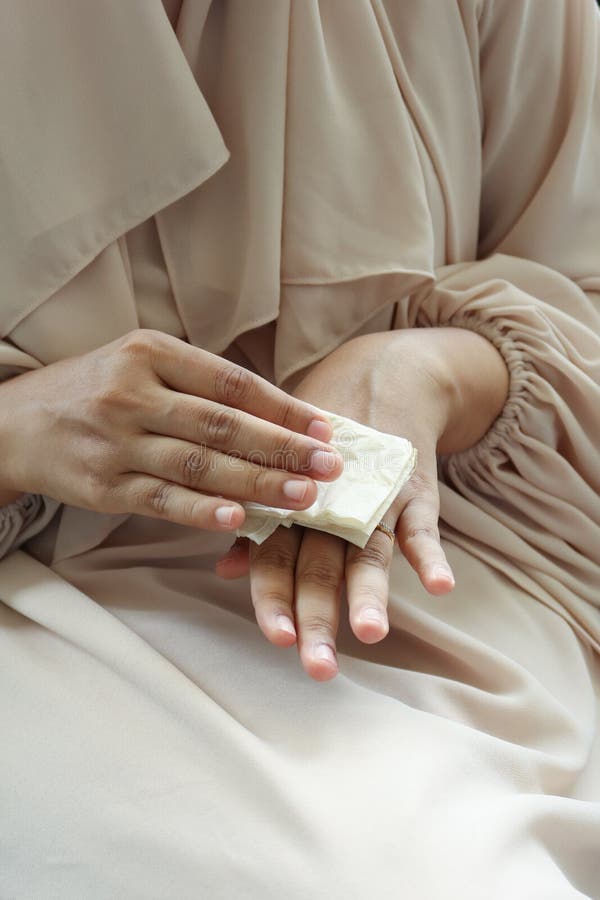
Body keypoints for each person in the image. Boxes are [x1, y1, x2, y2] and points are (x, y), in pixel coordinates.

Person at [1, 0, 599, 897]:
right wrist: (17, 433)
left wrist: (428, 370)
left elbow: (581, 281)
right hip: (39, 595)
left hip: (461, 550)